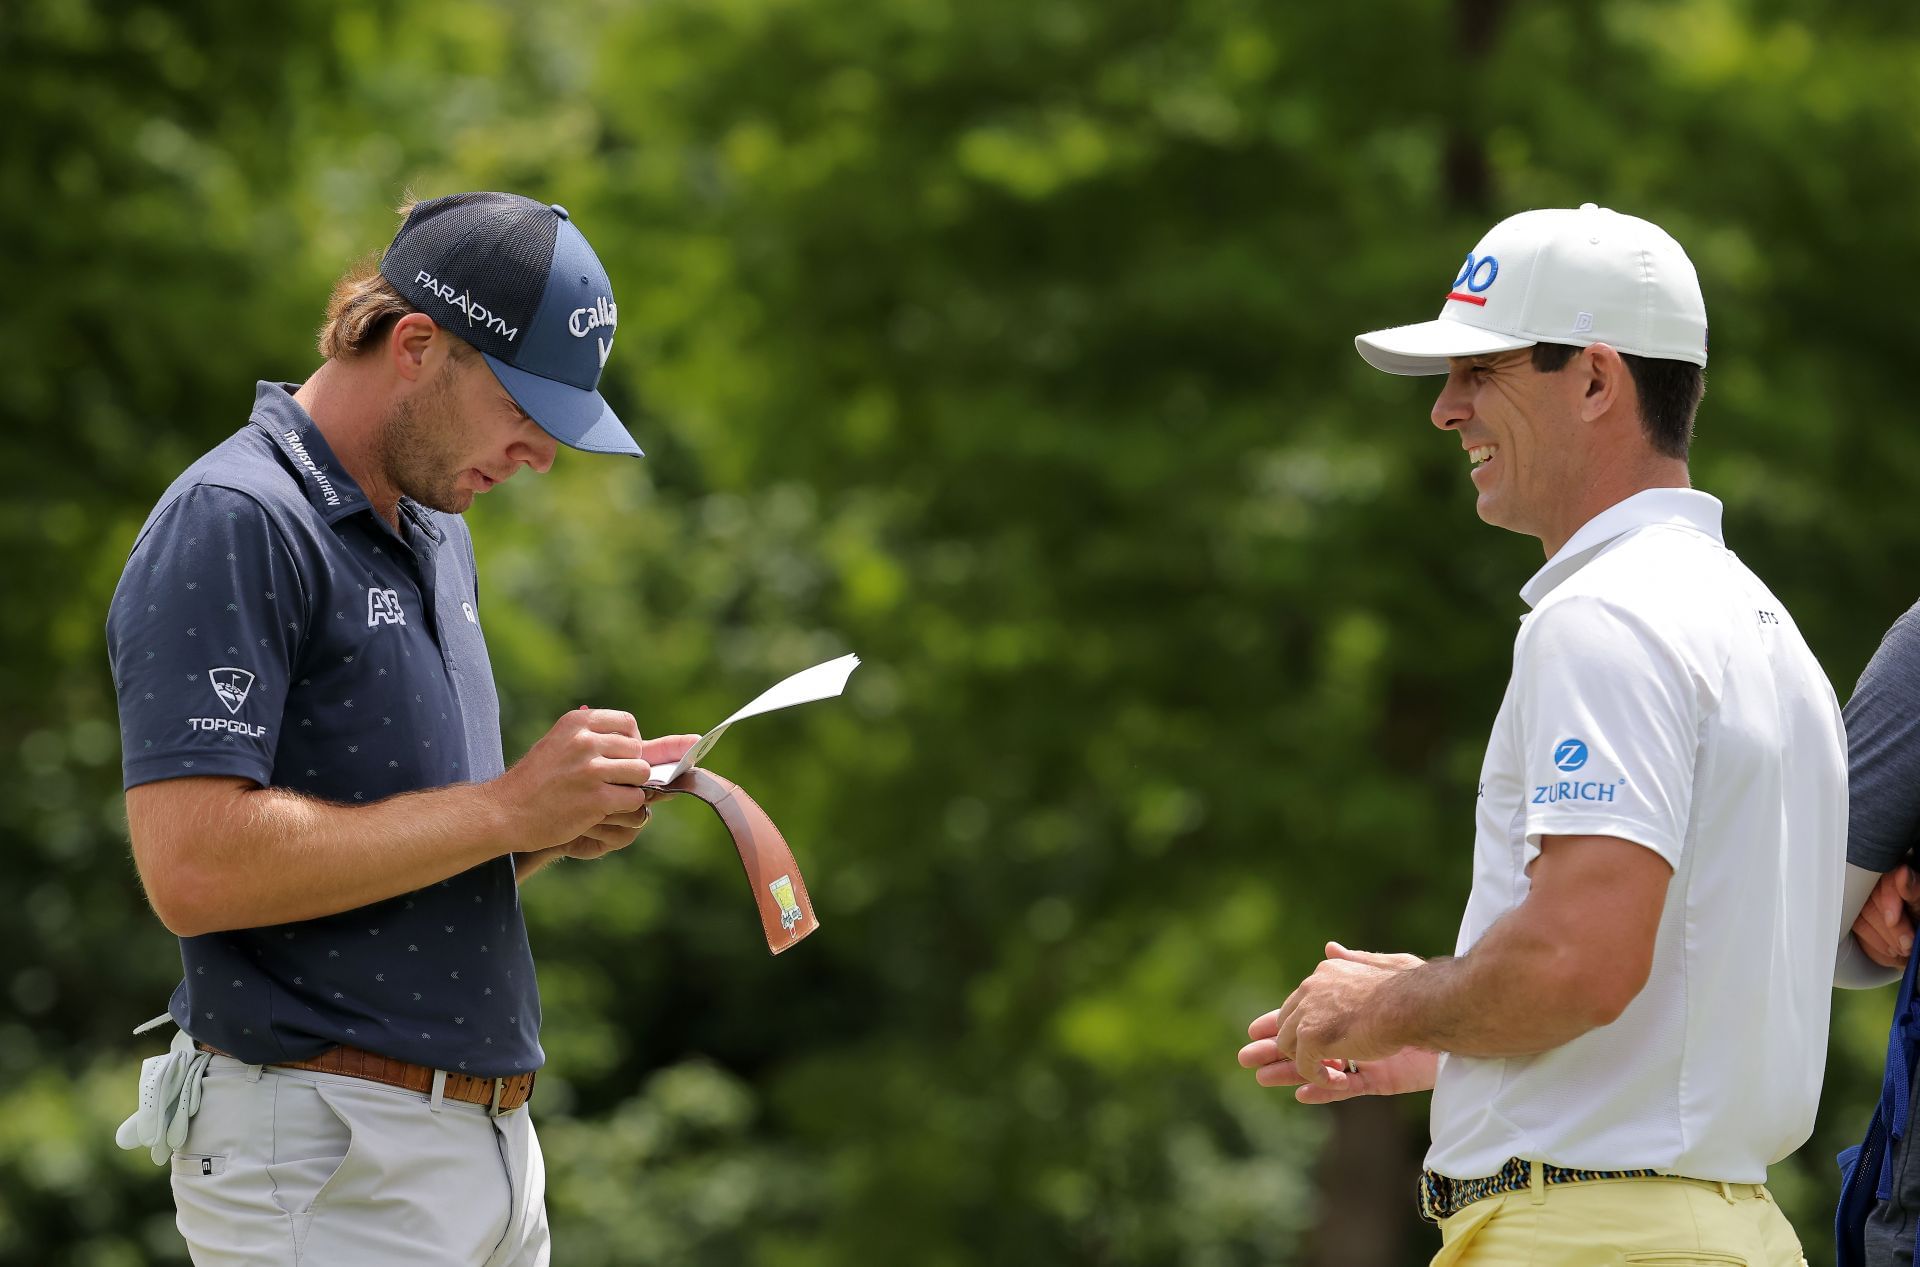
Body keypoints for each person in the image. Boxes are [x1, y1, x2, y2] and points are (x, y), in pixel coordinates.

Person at [1235, 204, 1846, 1265]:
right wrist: (1447, 1038)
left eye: (1481, 370)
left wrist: (1385, 1004)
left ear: (1597, 379)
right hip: (1718, 1230)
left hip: (1594, 1240)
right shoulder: (1760, 624)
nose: (1445, 410)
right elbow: (1672, 1002)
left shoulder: (1604, 613)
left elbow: (1577, 960)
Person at [106, 191, 696, 1265]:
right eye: (526, 408)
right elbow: (189, 867)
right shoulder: (239, 516)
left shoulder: (432, 531)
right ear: (419, 344)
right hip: (328, 1158)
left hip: (484, 1151)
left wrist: (539, 831)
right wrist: (506, 805)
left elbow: (399, 868)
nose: (541, 455)